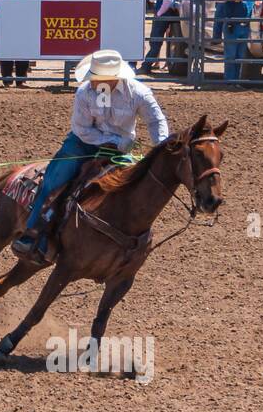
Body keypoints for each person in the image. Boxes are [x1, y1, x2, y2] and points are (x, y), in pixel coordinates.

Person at [11, 49, 170, 263]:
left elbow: (155, 121)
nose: (92, 82)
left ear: (114, 79)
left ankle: (125, 238)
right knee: (54, 180)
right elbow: (81, 129)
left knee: (134, 186)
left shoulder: (138, 93)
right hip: (82, 144)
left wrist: (161, 147)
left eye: (97, 78)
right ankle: (33, 233)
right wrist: (116, 141)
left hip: (118, 151)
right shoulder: (85, 93)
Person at [211, 0, 263, 82]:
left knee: (240, 55)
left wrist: (259, 0)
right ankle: (231, 80)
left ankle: (235, 80)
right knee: (231, 55)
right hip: (232, 26)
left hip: (244, 26)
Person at [140, 0, 181, 74]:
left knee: (155, 40)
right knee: (158, 40)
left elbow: (168, 0)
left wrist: (159, 13)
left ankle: (146, 66)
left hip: (164, 12)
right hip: (167, 11)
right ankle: (149, 64)